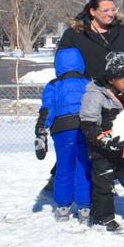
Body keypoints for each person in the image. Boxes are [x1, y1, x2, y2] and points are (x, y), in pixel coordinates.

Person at [45, 0, 124, 193]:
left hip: (121, 94)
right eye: (105, 10)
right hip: (88, 94)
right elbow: (64, 62)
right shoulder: (75, 34)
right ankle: (62, 180)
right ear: (92, 11)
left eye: (112, 9)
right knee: (88, 142)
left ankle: (113, 176)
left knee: (119, 137)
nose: (111, 14)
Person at [79, 51, 124, 233]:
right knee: (104, 186)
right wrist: (104, 141)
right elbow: (88, 124)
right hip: (101, 151)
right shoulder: (96, 95)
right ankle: (103, 219)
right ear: (111, 80)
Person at [34, 47, 92, 223]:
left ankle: (63, 208)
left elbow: (47, 109)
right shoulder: (89, 82)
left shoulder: (53, 85)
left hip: (62, 129)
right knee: (84, 167)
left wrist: (41, 129)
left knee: (64, 168)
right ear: (81, 63)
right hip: (85, 127)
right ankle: (84, 208)